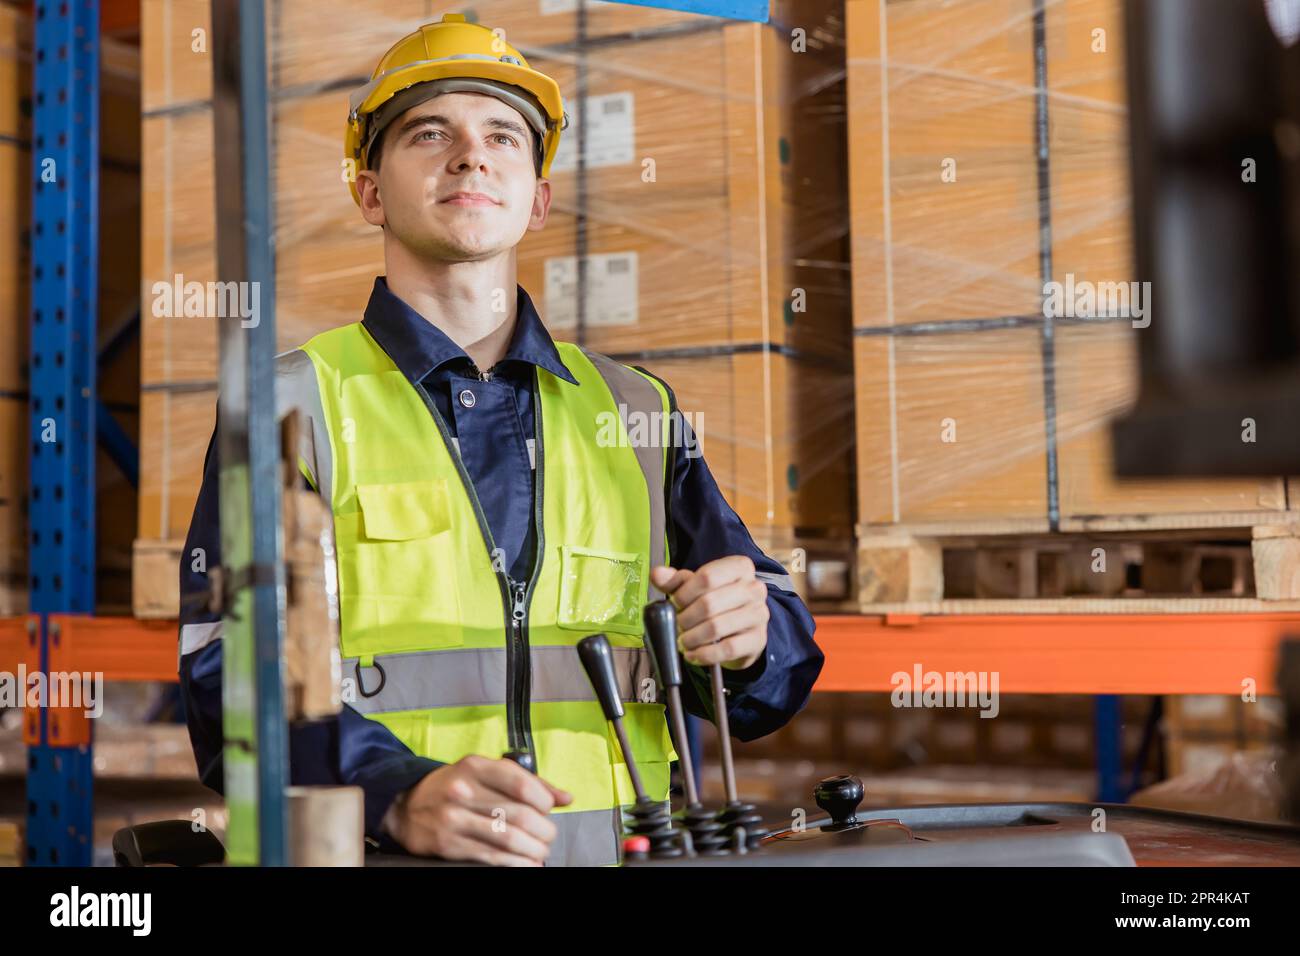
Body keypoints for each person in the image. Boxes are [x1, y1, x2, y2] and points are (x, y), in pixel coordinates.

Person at [178, 13, 823, 867]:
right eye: (429, 133)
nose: (471, 155)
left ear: (539, 198)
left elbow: (776, 663)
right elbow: (227, 677)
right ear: (369, 192)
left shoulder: (636, 412)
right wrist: (395, 793)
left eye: (504, 137)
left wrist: (748, 638)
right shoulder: (289, 408)